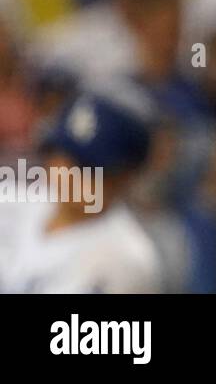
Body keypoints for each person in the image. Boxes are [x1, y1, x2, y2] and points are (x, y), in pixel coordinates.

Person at [0, 84, 162, 293]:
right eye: (63, 154)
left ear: (125, 177)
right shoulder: (10, 201)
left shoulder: (129, 260)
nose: (67, 172)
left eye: (86, 167)